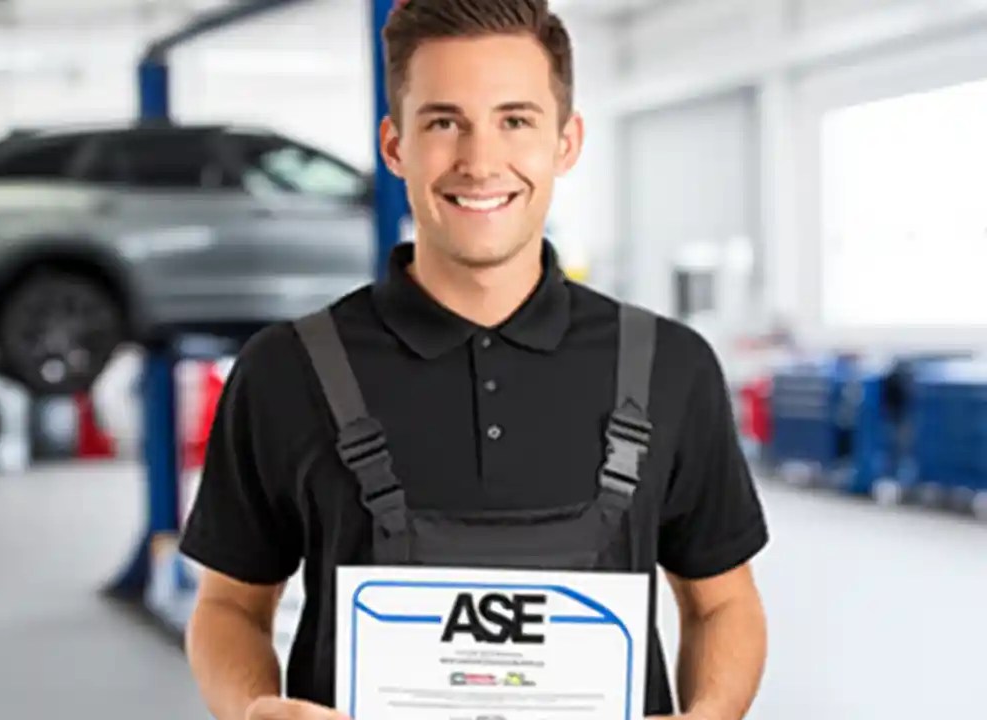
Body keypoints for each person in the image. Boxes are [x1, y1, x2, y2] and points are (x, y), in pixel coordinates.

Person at [179, 1, 770, 718]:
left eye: (515, 120)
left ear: (566, 141)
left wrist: (709, 715)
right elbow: (229, 607)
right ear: (395, 145)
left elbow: (723, 604)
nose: (479, 162)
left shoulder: (670, 367)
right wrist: (251, 708)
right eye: (443, 122)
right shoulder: (286, 370)